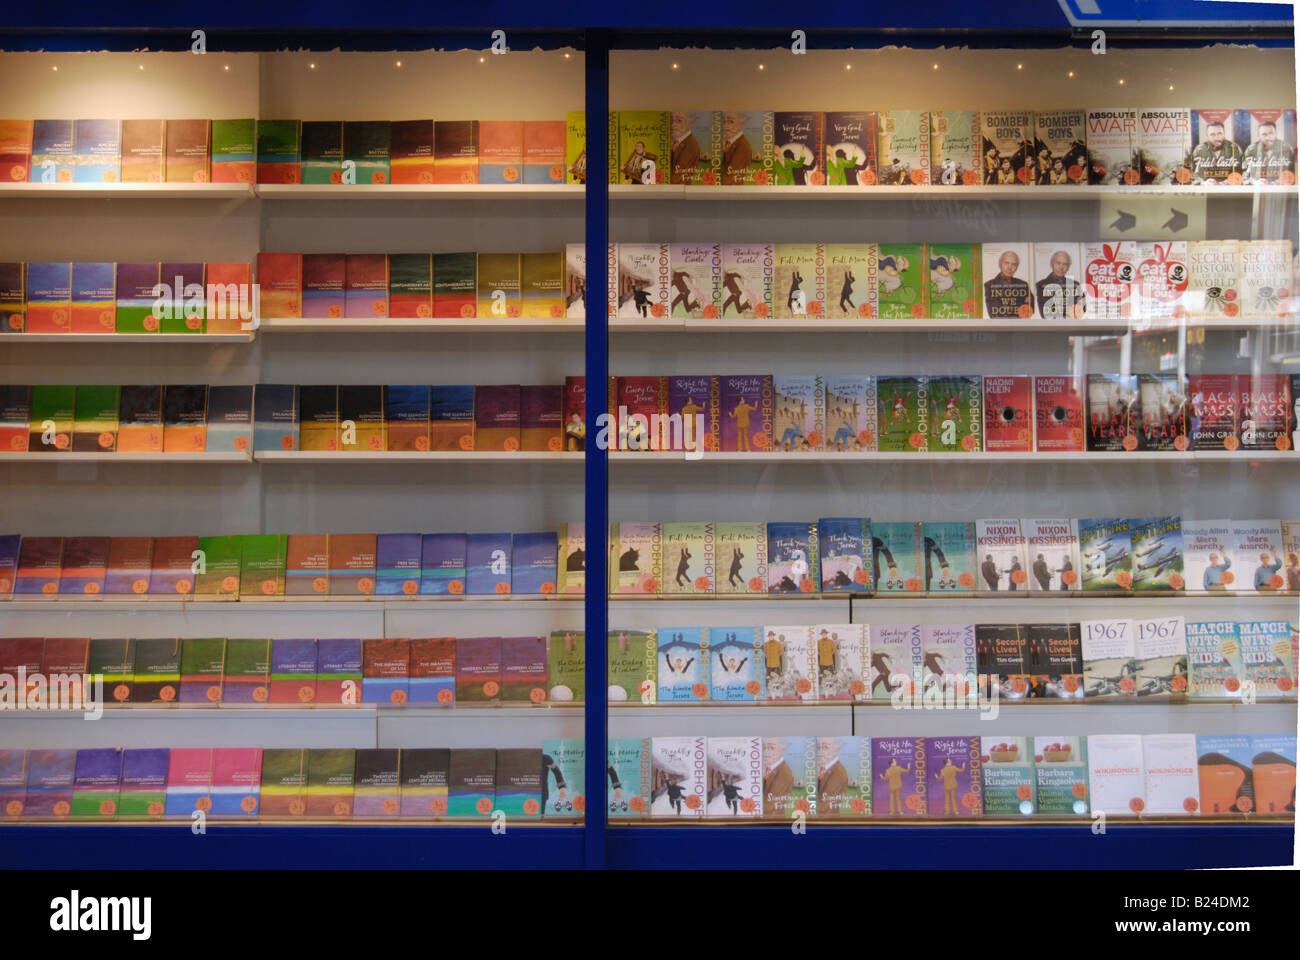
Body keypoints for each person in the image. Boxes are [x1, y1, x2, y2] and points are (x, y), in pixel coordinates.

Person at [1035, 247, 1083, 321]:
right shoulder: (1040, 285)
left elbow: (1081, 311)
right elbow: (1044, 313)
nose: (1061, 267)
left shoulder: (1075, 285)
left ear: (1068, 267)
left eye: (1065, 264)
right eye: (1058, 263)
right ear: (1052, 264)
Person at [1188, 118, 1243, 182]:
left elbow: (1241, 172)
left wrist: (1227, 182)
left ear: (1224, 134)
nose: (1217, 137)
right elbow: (1193, 173)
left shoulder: (1234, 148)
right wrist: (1203, 182)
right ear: (1207, 136)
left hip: (1229, 188)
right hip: (1207, 189)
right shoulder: (1199, 150)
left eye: (1219, 133)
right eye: (1212, 134)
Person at [1243, 119, 1296, 184]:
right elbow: (1244, 176)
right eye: (1264, 134)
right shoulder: (1251, 150)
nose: (1268, 137)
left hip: (1280, 191)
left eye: (1271, 133)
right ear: (1259, 135)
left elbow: (1293, 174)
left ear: (1276, 133)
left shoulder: (1286, 149)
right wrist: (1255, 182)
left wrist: (1277, 183)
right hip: (1257, 191)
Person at [984, 249, 1032, 319]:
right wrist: (1020, 305)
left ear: (1017, 267)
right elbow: (994, 314)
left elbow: (1029, 310)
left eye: (1013, 264)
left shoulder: (1024, 285)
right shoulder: (988, 285)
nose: (1009, 267)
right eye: (1006, 263)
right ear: (1000, 264)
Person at [817, 738, 849, 812]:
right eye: (818, 747)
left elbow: (824, 804)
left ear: (835, 751)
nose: (820, 751)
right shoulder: (824, 768)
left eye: (825, 747)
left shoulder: (838, 771)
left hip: (828, 819)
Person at [722, 113, 754, 186]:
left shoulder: (742, 146)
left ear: (740, 124)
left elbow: (728, 178)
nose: (725, 126)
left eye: (730, 122)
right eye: (724, 122)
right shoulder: (730, 143)